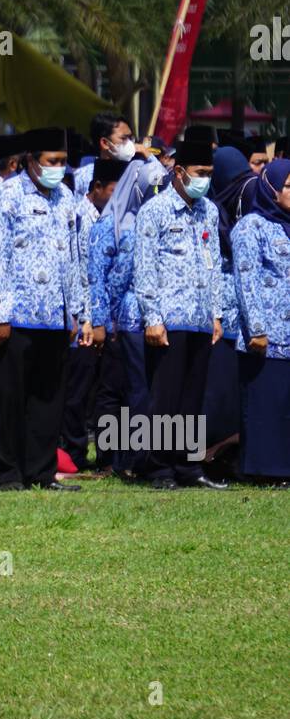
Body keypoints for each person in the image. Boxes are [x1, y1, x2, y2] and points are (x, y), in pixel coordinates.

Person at [0, 127, 84, 491]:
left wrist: (75, 311)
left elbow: (73, 257)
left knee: (48, 400)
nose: (58, 168)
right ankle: (8, 473)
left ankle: (41, 471)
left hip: (54, 316)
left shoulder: (67, 198)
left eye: (62, 161)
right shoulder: (6, 197)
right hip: (16, 314)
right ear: (30, 161)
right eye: (50, 161)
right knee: (9, 398)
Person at [132, 138, 226, 490]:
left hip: (200, 316)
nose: (205, 180)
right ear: (180, 171)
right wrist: (152, 317)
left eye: (210, 174)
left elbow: (214, 265)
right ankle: (158, 468)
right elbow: (144, 268)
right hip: (168, 318)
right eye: (200, 173)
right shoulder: (155, 211)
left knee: (192, 399)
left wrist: (216, 313)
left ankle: (188, 467)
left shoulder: (210, 211)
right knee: (165, 398)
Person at [88, 156, 166, 475]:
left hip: (154, 318)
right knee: (119, 392)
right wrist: (101, 322)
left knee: (146, 391)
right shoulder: (112, 225)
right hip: (123, 320)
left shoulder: (157, 219)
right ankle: (116, 458)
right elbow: (99, 276)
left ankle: (143, 457)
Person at [59, 158, 127, 471]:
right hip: (85, 317)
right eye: (115, 189)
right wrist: (85, 316)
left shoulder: (112, 217)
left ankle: (107, 455)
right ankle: (73, 454)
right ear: (97, 188)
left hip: (107, 318)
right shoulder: (80, 218)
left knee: (105, 390)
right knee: (78, 392)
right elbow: (80, 271)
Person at [232, 158, 290, 485]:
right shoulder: (251, 227)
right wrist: (257, 328)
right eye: (288, 186)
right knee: (264, 404)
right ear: (270, 188)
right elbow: (246, 280)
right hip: (266, 335)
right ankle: (263, 470)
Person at [203, 147, 258, 457]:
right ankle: (208, 452)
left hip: (243, 322)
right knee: (217, 392)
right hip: (217, 318)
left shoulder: (246, 202)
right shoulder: (209, 211)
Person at [74, 112, 143, 197]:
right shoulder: (83, 177)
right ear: (105, 143)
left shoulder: (136, 174)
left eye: (131, 138)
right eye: (124, 138)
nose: (130, 143)